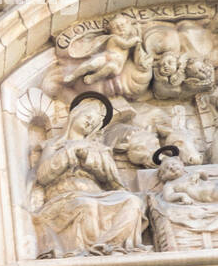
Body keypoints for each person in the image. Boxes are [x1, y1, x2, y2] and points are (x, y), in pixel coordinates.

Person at [33, 99, 147, 257]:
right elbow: (43, 175)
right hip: (66, 196)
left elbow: (112, 179)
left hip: (98, 194)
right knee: (85, 205)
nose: (89, 122)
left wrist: (89, 159)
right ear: (75, 115)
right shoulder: (53, 145)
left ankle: (109, 245)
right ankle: (83, 251)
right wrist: (68, 152)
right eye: (87, 117)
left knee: (133, 202)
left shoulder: (99, 149)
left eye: (93, 123)